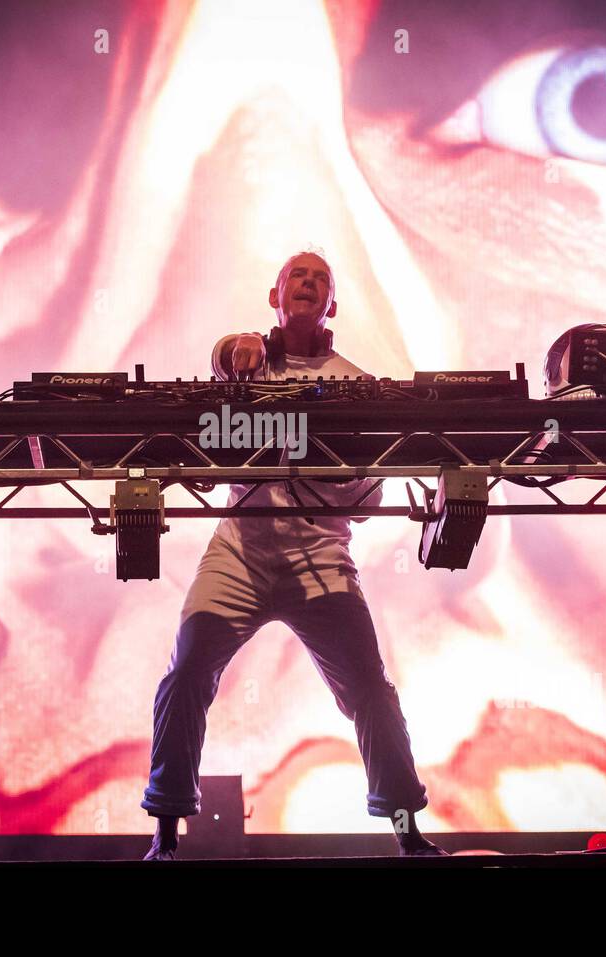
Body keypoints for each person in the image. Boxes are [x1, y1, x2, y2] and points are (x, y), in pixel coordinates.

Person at [140, 251, 446, 859]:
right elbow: (223, 359)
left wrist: (334, 464)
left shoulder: (355, 384)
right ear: (274, 294)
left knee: (369, 690)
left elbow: (364, 501)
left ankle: (409, 835)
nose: (308, 285)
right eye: (296, 277)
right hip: (239, 553)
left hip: (321, 556)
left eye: (320, 280)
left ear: (332, 304)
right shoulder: (243, 360)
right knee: (186, 674)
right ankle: (166, 838)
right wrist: (236, 349)